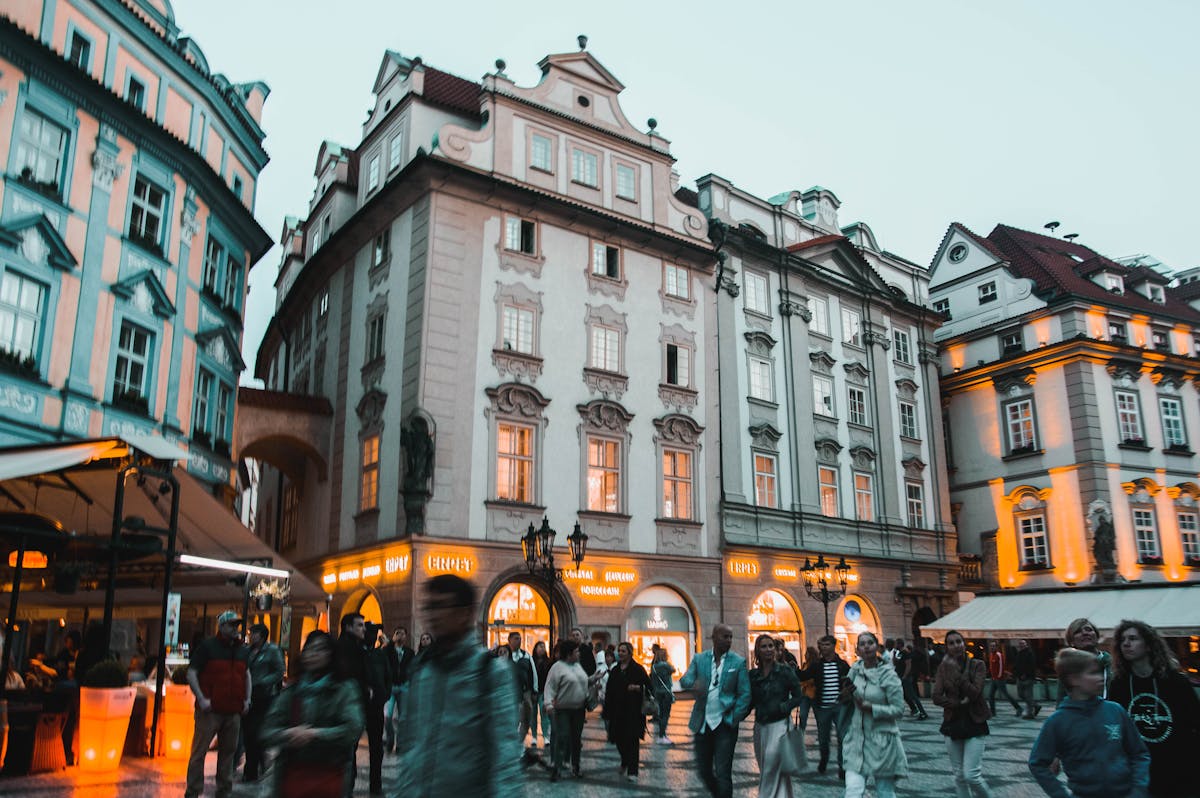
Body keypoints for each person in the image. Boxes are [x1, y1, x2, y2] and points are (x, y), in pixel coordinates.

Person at [395, 574, 521, 797]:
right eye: (429, 607)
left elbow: (505, 754)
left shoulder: (490, 672)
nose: (433, 615)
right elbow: (411, 745)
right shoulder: (422, 670)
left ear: (465, 613)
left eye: (441, 606)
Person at [1028, 647, 1149, 798]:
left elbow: (1139, 753)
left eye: (1100, 672)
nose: (1101, 677)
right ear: (1074, 679)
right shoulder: (1058, 721)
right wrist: (1059, 794)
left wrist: (1138, 789)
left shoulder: (1115, 710)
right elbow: (1037, 762)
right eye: (1092, 673)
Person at [259, 630, 364, 798]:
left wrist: (315, 734)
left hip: (330, 773)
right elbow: (267, 731)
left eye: (320, 649)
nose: (314, 654)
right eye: (309, 649)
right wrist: (287, 734)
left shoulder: (344, 689)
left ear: (331, 654)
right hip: (293, 774)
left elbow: (352, 729)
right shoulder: (292, 691)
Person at [1107, 619, 1200, 796]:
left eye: (1133, 638)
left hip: (1178, 767)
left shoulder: (1175, 681)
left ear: (1149, 645)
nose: (1126, 644)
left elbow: (1194, 721)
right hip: (1139, 770)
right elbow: (1115, 726)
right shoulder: (1119, 684)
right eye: (1123, 640)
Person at [679, 623, 752, 798]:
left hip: (725, 725)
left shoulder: (738, 661)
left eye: (730, 637)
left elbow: (745, 693)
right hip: (702, 723)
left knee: (723, 772)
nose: (728, 640)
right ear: (713, 637)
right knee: (703, 770)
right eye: (724, 636)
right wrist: (693, 684)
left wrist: (735, 717)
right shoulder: (700, 659)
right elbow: (684, 679)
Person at [185, 610, 251, 798]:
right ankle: (193, 792)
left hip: (233, 711)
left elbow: (246, 675)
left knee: (228, 754)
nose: (236, 628)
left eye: (237, 625)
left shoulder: (241, 650)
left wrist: (247, 699)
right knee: (199, 752)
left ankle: (224, 791)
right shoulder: (208, 647)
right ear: (221, 627)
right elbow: (191, 673)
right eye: (231, 625)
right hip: (210, 711)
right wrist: (202, 698)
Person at [842, 631, 908, 798]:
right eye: (862, 644)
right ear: (857, 650)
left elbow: (899, 710)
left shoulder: (888, 674)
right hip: (857, 741)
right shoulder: (854, 671)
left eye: (870, 643)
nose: (866, 647)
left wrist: (872, 708)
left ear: (877, 646)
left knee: (885, 792)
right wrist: (844, 695)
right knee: (853, 792)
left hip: (882, 741)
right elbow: (847, 698)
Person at [933, 630, 992, 798]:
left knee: (971, 775)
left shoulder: (977, 665)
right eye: (951, 643)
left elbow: (974, 693)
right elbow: (936, 697)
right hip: (953, 722)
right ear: (947, 647)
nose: (956, 645)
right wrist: (957, 703)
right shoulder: (942, 668)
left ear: (964, 644)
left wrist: (957, 674)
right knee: (959, 775)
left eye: (958, 641)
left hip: (975, 721)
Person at [748, 634, 802, 798]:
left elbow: (799, 696)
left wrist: (785, 706)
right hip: (760, 726)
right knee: (768, 767)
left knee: (771, 766)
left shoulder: (785, 671)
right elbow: (750, 701)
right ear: (757, 650)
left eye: (771, 646)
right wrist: (735, 716)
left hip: (780, 725)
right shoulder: (753, 675)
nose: (768, 649)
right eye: (764, 646)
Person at [796, 633, 851, 779]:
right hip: (822, 708)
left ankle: (842, 766)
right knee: (824, 737)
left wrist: (847, 692)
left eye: (827, 644)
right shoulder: (817, 665)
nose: (824, 648)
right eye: (822, 645)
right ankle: (824, 759)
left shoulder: (842, 664)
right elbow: (803, 676)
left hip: (840, 707)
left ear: (833, 646)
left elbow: (851, 681)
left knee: (842, 737)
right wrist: (793, 668)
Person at [543, 639, 593, 781]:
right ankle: (557, 768)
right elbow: (550, 687)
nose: (579, 654)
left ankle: (575, 766)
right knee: (562, 737)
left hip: (579, 709)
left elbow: (583, 681)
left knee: (576, 739)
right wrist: (548, 704)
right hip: (563, 710)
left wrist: (593, 679)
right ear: (569, 654)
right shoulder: (557, 667)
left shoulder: (578, 666)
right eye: (577, 652)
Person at [601, 641, 650, 781]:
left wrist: (638, 688)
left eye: (623, 651)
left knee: (632, 741)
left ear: (629, 653)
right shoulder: (615, 670)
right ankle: (625, 760)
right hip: (617, 711)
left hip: (633, 711)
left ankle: (633, 771)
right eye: (619, 651)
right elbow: (609, 691)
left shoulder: (638, 669)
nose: (620, 653)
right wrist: (607, 710)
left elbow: (649, 687)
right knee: (619, 740)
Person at [242, 623, 284, 783]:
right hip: (249, 696)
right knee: (249, 734)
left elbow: (279, 671)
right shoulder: (247, 651)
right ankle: (259, 764)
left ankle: (251, 770)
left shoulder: (272, 650)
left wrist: (262, 682)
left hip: (265, 697)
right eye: (250, 633)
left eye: (254, 633)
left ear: (262, 635)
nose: (251, 636)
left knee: (256, 733)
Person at [362, 622, 394, 794]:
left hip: (376, 705)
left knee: (376, 748)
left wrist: (385, 694)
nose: (372, 637)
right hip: (360, 704)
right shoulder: (359, 654)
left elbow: (388, 676)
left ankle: (376, 785)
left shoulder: (379, 655)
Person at [503, 631, 539, 753]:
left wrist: (535, 690)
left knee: (526, 719)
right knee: (513, 719)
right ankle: (511, 744)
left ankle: (519, 742)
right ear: (510, 640)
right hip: (510, 693)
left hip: (525, 693)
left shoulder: (526, 656)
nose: (519, 641)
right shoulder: (505, 655)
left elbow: (533, 673)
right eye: (516, 638)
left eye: (520, 638)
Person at [1059, 618, 1111, 701]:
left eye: (1089, 630)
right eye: (1078, 631)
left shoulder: (1113, 664)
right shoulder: (1068, 668)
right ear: (1071, 641)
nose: (1085, 633)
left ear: (1097, 636)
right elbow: (1061, 700)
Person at [383, 626, 413, 753]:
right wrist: (390, 642)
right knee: (387, 716)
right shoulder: (388, 650)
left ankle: (400, 744)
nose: (400, 636)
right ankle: (390, 740)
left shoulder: (410, 652)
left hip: (404, 686)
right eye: (397, 633)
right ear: (394, 636)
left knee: (403, 718)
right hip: (390, 687)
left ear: (406, 637)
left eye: (402, 634)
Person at [985, 640, 1021, 717]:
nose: (992, 647)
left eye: (993, 646)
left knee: (1006, 695)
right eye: (991, 646)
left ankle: (1018, 708)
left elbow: (1002, 666)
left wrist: (999, 676)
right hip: (994, 679)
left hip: (999, 679)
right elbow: (992, 667)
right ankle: (993, 712)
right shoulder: (991, 655)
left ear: (996, 647)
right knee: (990, 696)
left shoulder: (999, 655)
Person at [650, 646, 677, 744]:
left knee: (661, 714)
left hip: (658, 693)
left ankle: (661, 735)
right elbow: (674, 670)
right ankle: (662, 735)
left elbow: (652, 679)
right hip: (666, 693)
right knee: (666, 714)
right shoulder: (666, 665)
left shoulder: (654, 666)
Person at [900, 641, 929, 720]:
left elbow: (908, 665)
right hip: (906, 677)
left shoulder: (906, 653)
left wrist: (905, 676)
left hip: (906, 677)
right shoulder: (903, 653)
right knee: (906, 695)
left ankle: (922, 712)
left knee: (913, 696)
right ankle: (915, 709)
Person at [1013, 638, 1040, 720]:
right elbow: (1017, 665)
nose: (1021, 645)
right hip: (1019, 677)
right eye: (1020, 644)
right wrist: (1016, 674)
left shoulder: (1029, 653)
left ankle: (1030, 713)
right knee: (1021, 694)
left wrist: (1025, 674)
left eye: (1023, 644)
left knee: (1028, 696)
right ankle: (1035, 705)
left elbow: (1031, 666)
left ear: (1026, 645)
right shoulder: (1019, 653)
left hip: (1028, 678)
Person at [532, 640, 553, 749]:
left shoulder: (548, 662)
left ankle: (546, 737)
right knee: (533, 715)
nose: (542, 649)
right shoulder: (532, 661)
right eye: (540, 646)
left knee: (544, 714)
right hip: (534, 692)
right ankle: (534, 737)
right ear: (535, 648)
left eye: (543, 647)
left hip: (544, 691)